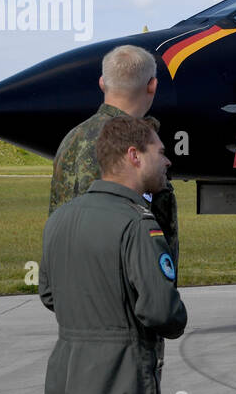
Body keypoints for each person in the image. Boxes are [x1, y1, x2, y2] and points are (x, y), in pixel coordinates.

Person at [23, 115, 186, 394]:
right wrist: (176, 313)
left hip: (67, 370)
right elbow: (160, 310)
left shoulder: (61, 218)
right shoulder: (138, 222)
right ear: (133, 157)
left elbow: (49, 293)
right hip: (119, 376)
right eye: (158, 151)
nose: (166, 159)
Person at [50, 44, 178, 270]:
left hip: (73, 289)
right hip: (126, 291)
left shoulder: (72, 138)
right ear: (152, 85)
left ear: (102, 82)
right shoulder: (133, 144)